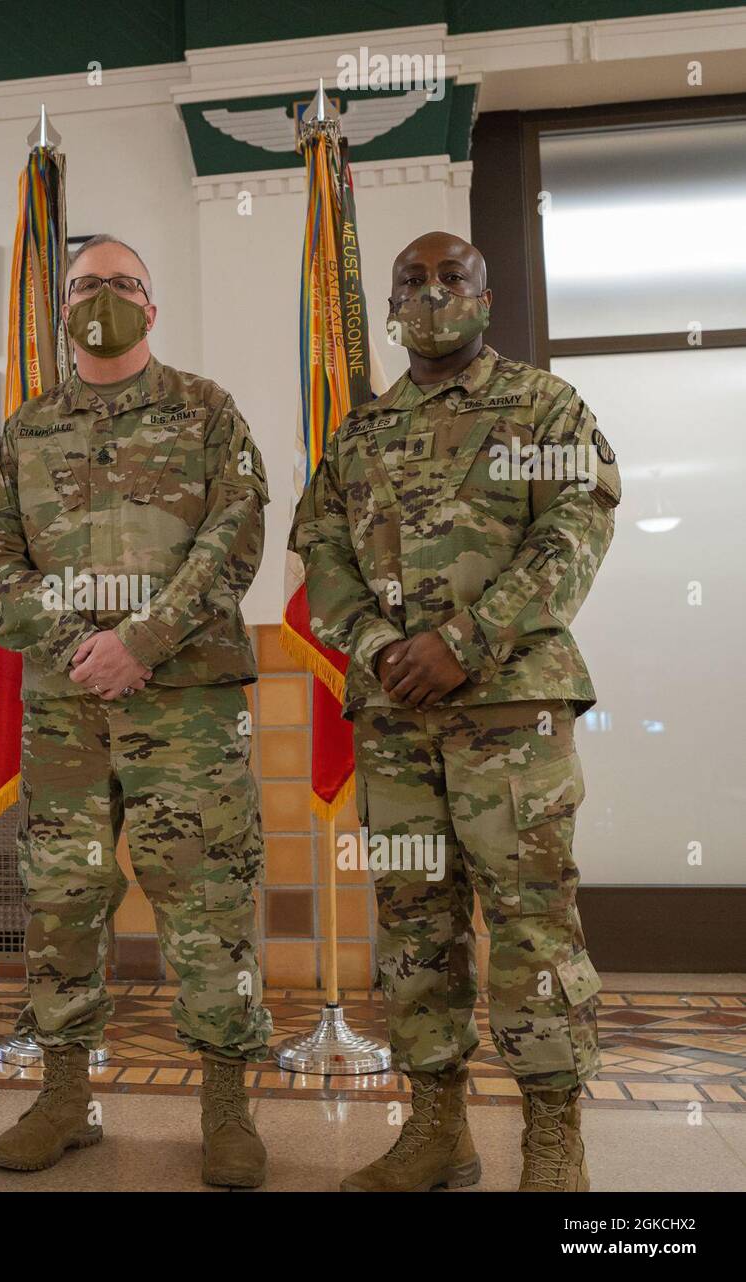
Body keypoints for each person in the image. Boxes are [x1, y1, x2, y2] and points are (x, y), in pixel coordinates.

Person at [289, 230, 620, 1193]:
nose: (431, 293)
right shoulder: (359, 435)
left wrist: (463, 643)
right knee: (412, 923)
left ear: (485, 294)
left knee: (532, 923)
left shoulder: (544, 407)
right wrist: (380, 649)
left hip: (510, 711)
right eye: (411, 281)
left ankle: (553, 1141)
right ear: (390, 304)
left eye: (452, 277)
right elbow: (323, 558)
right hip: (395, 722)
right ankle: (437, 1129)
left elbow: (573, 534)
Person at [0, 234, 272, 1187]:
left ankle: (226, 1107)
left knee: (208, 898)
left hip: (186, 701)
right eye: (85, 285)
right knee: (61, 900)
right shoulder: (26, 430)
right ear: (62, 308)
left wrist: (142, 642)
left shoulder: (207, 410)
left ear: (154, 304)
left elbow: (237, 531)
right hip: (66, 712)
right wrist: (74, 650)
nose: (103, 297)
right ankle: (65, 1097)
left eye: (123, 283)